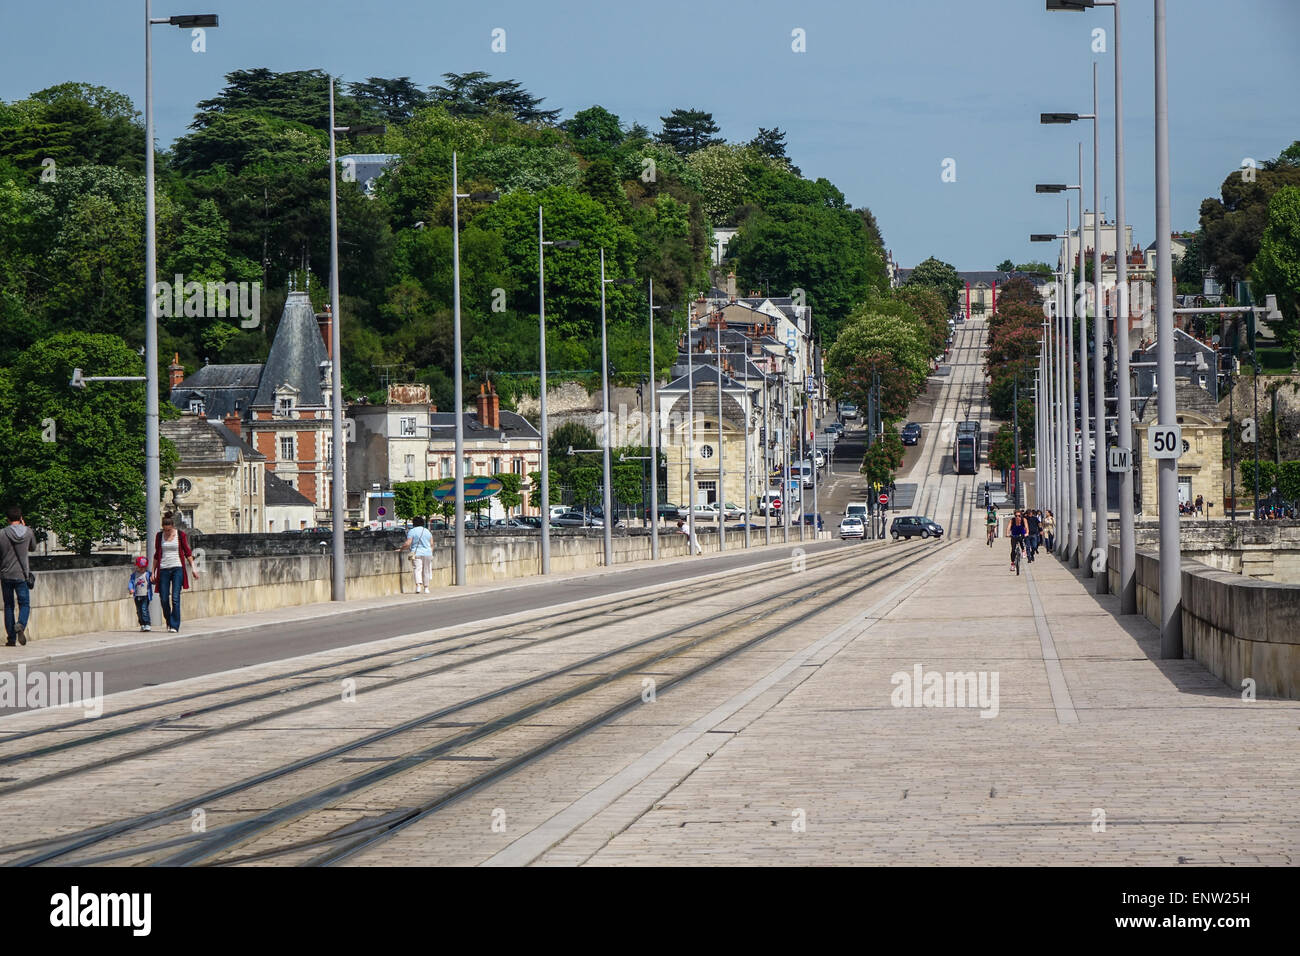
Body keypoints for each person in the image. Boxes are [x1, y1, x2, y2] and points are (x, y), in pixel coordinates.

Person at [152, 512, 198, 633]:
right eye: (165, 530)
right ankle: (169, 620)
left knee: (175, 598)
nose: (166, 533)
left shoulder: (180, 535)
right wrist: (153, 572)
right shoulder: (159, 536)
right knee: (163, 598)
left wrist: (193, 568)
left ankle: (174, 625)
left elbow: (188, 552)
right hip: (163, 569)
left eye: (168, 530)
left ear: (172, 526)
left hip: (177, 568)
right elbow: (157, 555)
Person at [0, 506, 32, 646]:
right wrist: (25, 530)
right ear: (20, 518)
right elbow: (33, 548)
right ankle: (20, 624)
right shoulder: (28, 532)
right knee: (24, 603)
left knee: (8, 606)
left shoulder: (2, 533)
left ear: (7, 519)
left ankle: (11, 639)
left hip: (6, 574)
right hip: (22, 574)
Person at [396, 516, 435, 593]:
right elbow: (432, 544)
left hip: (416, 553)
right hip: (427, 553)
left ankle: (418, 586)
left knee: (417, 569)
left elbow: (408, 543)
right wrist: (430, 552)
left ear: (414, 523)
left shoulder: (412, 531)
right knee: (426, 570)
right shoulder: (427, 531)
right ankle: (426, 588)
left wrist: (401, 549)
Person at [128, 556, 153, 632]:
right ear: (137, 566)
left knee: (144, 609)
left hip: (145, 595)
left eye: (143, 568)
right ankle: (142, 624)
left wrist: (153, 579)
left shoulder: (147, 574)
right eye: (140, 567)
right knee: (139, 610)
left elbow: (152, 581)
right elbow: (131, 582)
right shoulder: (134, 575)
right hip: (137, 595)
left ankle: (147, 624)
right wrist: (131, 589)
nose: (142, 569)